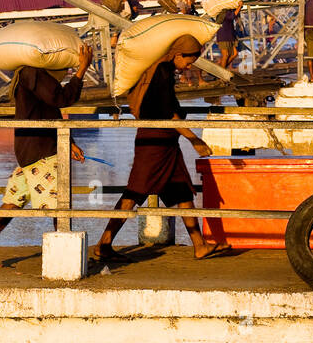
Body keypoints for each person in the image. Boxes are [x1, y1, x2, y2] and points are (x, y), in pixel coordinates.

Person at [92, 35, 225, 262]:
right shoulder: (162, 71)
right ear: (177, 55)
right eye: (189, 61)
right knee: (134, 192)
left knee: (182, 191)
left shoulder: (163, 72)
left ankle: (199, 245)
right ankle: (104, 243)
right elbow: (168, 113)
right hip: (154, 141)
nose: (189, 66)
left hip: (167, 142)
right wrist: (195, 140)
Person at [0, 44, 93, 268]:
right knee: (60, 202)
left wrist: (69, 141)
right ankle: (66, 258)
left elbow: (49, 111)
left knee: (14, 201)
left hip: (32, 148)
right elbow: (61, 99)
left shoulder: (31, 75)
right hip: (40, 150)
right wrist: (81, 70)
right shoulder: (33, 73)